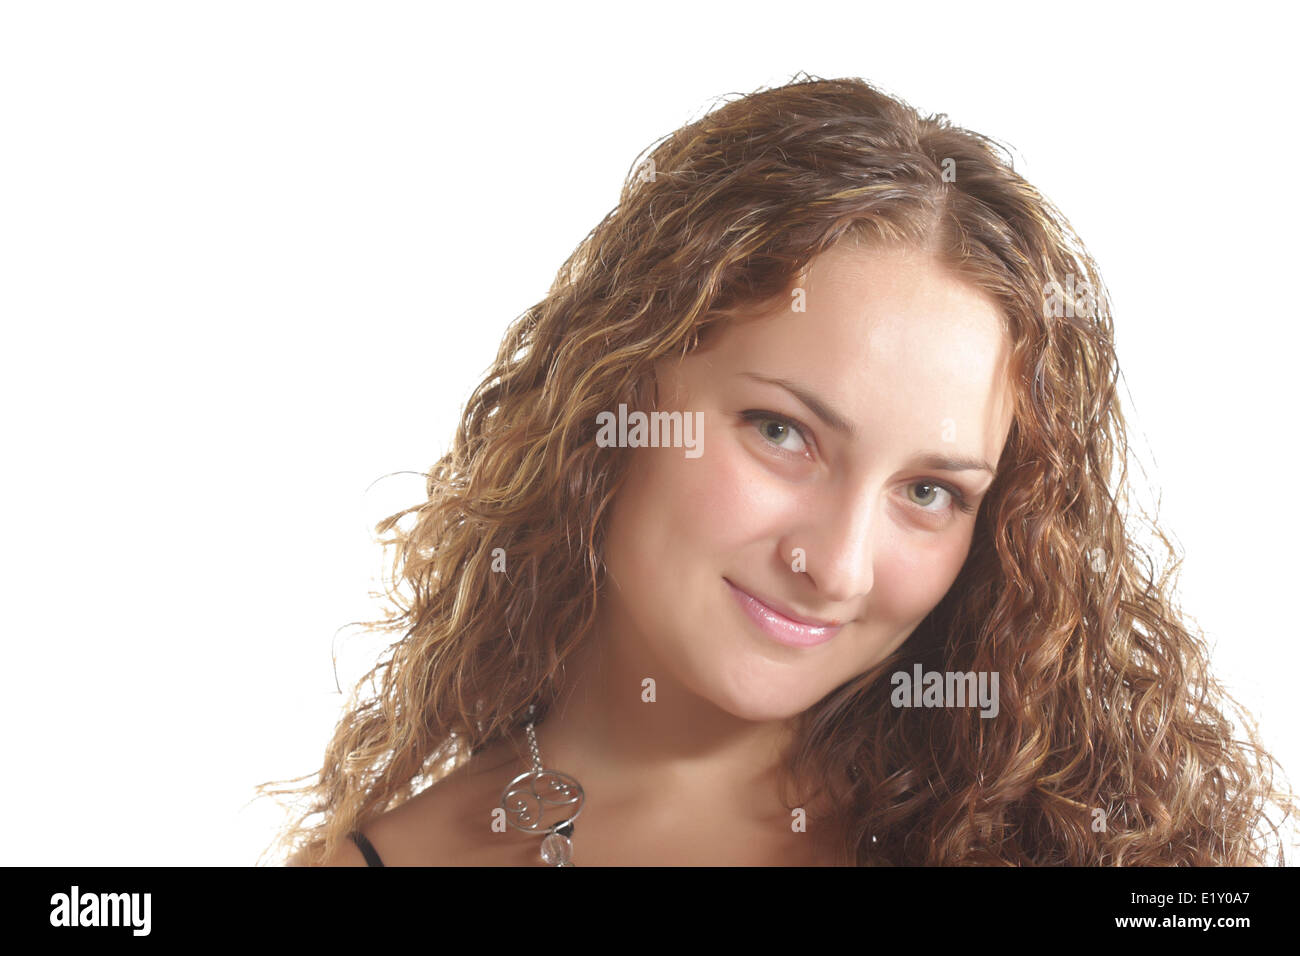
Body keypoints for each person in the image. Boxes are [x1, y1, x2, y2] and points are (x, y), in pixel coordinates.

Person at [259, 73, 1294, 866]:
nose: (837, 566)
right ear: (615, 389)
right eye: (783, 432)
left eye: (928, 492)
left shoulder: (1076, 839)